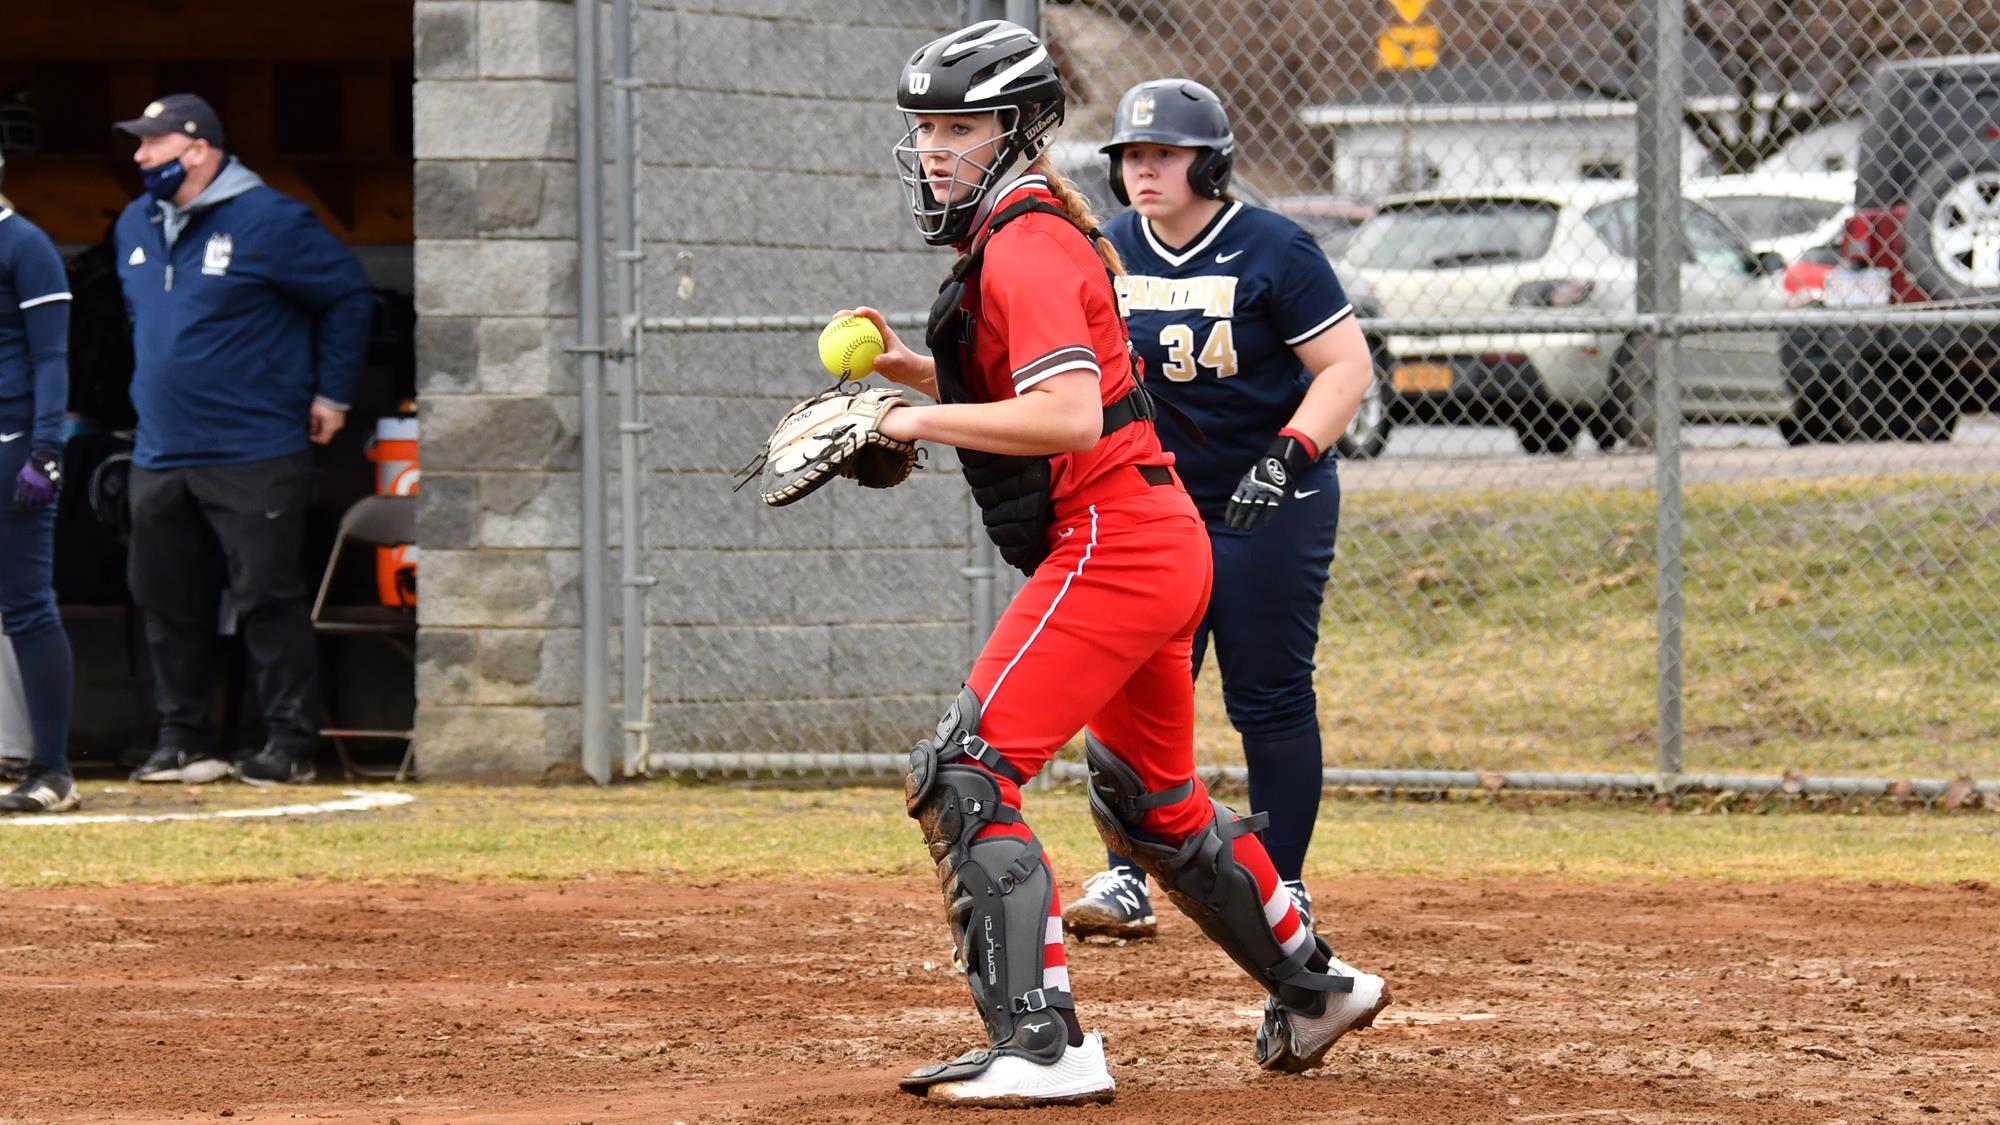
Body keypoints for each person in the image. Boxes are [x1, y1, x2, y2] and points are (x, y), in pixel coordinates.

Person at [837, 23, 1387, 1107]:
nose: (935, 148)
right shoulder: (1025, 233)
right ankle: (1316, 989)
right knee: (1151, 801)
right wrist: (916, 377)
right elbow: (1067, 386)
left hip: (1116, 544)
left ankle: (1042, 1045)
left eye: (959, 126)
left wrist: (910, 420)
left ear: (1019, 131)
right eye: (925, 128)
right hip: (1152, 535)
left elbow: (1068, 415)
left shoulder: (1025, 242)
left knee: (962, 773)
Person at [1064, 79, 1374, 943]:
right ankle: (1128, 877)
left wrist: (1288, 454)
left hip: (1270, 500)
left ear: (1211, 163)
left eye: (1164, 154)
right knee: (1131, 688)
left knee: (1268, 691)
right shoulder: (1109, 248)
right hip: (1158, 503)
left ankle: (1285, 886)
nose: (1143, 170)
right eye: (1131, 155)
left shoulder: (1275, 246)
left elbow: (1346, 366)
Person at [112, 94, 373, 785]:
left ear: (199, 149)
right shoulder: (135, 222)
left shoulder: (272, 219)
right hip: (161, 448)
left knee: (266, 597)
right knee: (167, 600)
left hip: (253, 446)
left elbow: (348, 293)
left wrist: (333, 393)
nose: (140, 156)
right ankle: (182, 739)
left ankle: (289, 744)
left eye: (153, 143)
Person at [0, 150, 80, 813]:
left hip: (11, 443)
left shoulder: (25, 244)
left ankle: (53, 770)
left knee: (26, 605)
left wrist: (46, 448)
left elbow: (51, 356)